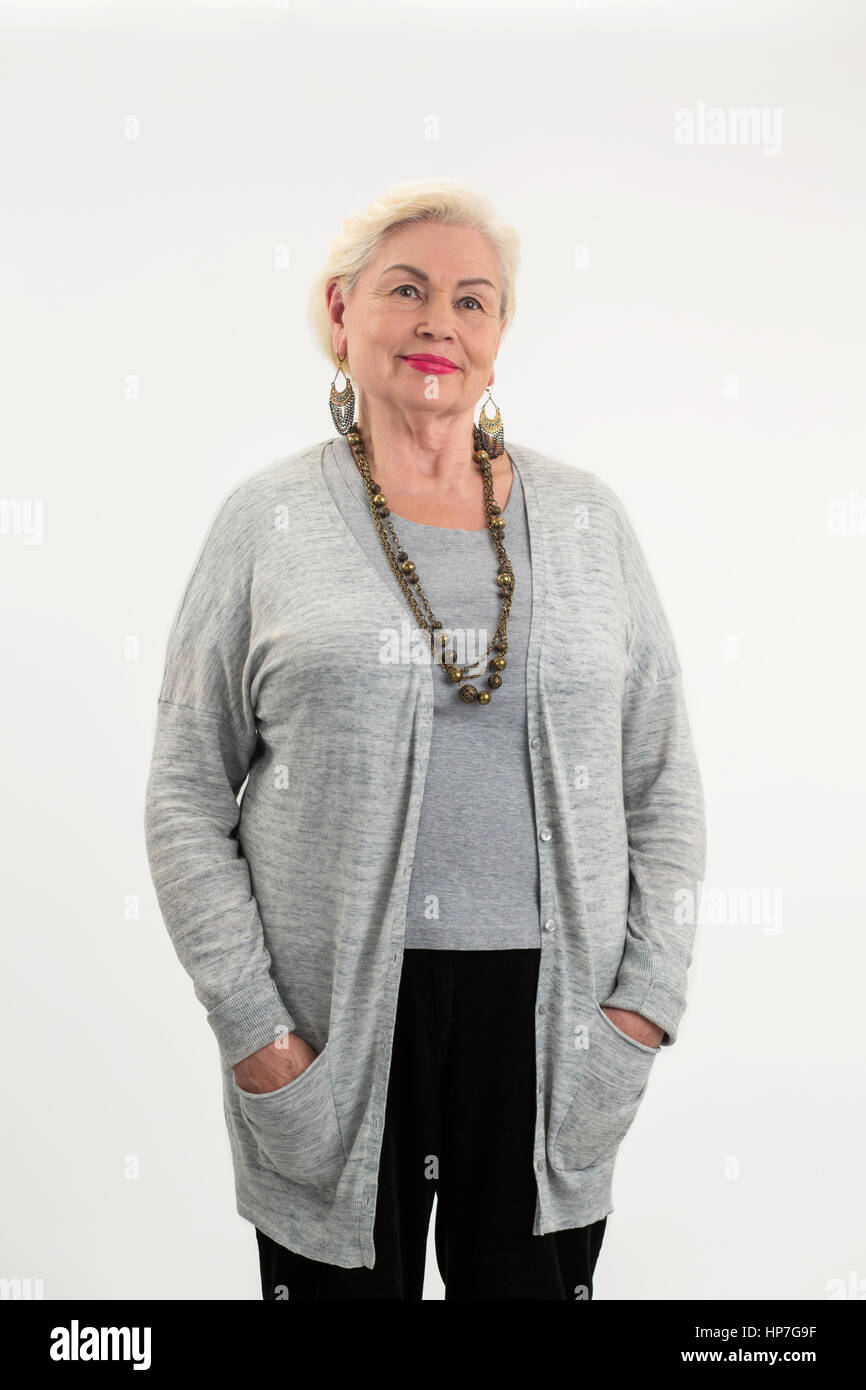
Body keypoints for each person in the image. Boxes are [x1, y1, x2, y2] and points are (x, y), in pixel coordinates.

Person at [144, 176, 706, 1300]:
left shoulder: (588, 520)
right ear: (341, 311)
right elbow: (184, 794)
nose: (439, 322)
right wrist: (254, 1024)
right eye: (406, 290)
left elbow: (662, 783)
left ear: (499, 337)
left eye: (473, 299)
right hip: (335, 1021)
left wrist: (641, 1004)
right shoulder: (267, 522)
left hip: (550, 1025)